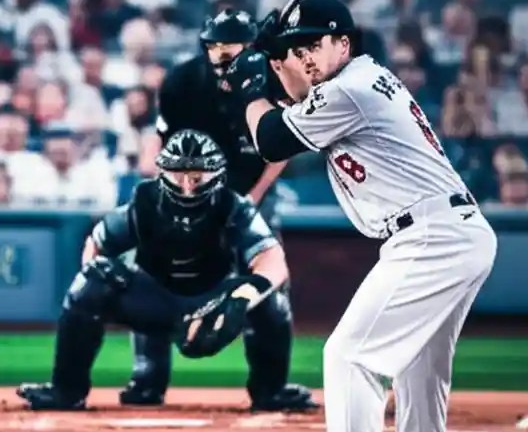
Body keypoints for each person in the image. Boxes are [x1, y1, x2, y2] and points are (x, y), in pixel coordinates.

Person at [233, 0, 497, 432]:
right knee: (421, 381)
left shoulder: (349, 89)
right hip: (452, 232)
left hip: (430, 235)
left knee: (348, 358)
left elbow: (272, 139)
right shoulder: (356, 82)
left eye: (313, 45)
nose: (305, 56)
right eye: (297, 48)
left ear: (344, 43)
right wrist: (272, 60)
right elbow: (293, 105)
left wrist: (251, 82)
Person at [16, 130, 313, 412]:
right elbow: (96, 244)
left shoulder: (234, 206)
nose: (187, 186)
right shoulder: (143, 201)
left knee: (272, 299)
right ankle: (66, 391)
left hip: (213, 303)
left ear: (217, 176)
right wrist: (101, 273)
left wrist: (239, 299)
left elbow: (273, 261)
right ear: (162, 173)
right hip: (154, 299)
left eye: (196, 177)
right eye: (178, 175)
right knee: (90, 282)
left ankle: (270, 391)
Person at [121, 8, 293, 406]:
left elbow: (281, 148)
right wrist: (167, 195)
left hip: (249, 188)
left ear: (251, 48)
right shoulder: (182, 81)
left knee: (269, 280)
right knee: (152, 270)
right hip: (187, 188)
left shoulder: (273, 78)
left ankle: (270, 388)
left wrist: (252, 199)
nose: (221, 55)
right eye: (214, 47)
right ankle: (147, 381)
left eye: (231, 48)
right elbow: (164, 142)